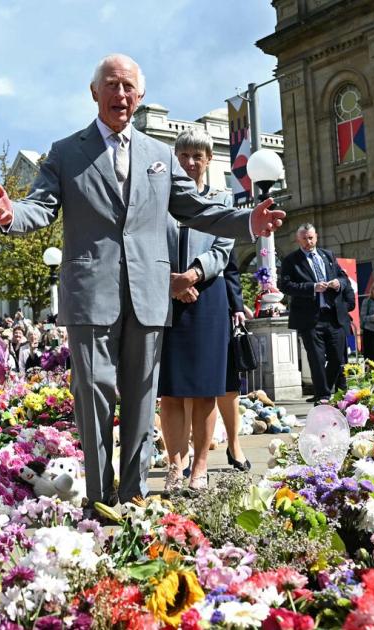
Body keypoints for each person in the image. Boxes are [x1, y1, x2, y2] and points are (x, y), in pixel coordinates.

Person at [0, 53, 284, 511]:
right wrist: (11, 215)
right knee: (95, 394)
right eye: (111, 85)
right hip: (90, 293)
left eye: (128, 87)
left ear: (139, 96)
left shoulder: (160, 155)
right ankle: (100, 499)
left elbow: (197, 209)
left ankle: (134, 494)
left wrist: (248, 221)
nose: (120, 94)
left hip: (148, 293)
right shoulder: (66, 152)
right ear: (94, 92)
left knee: (144, 398)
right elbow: (39, 207)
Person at [157, 128, 236, 494]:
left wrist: (193, 273)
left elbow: (223, 247)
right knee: (170, 390)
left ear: (208, 160)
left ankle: (200, 467)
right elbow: (147, 242)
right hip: (165, 295)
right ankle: (175, 462)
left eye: (197, 156)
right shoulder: (160, 199)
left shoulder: (222, 197)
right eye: (184, 155)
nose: (190, 162)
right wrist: (171, 281)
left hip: (207, 297)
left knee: (206, 389)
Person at [278, 224, 355, 402]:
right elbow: (286, 286)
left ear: (316, 237)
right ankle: (323, 396)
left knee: (338, 357)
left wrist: (338, 283)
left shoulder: (328, 255)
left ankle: (324, 389)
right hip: (310, 319)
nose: (308, 242)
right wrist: (312, 288)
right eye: (304, 238)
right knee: (316, 359)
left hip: (333, 316)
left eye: (311, 238)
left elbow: (344, 277)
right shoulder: (291, 260)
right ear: (298, 239)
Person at [217, 249, 250, 473]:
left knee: (229, 383)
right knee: (187, 389)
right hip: (181, 305)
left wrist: (237, 305)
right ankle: (185, 453)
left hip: (219, 308)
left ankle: (234, 443)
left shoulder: (216, 222)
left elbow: (231, 270)